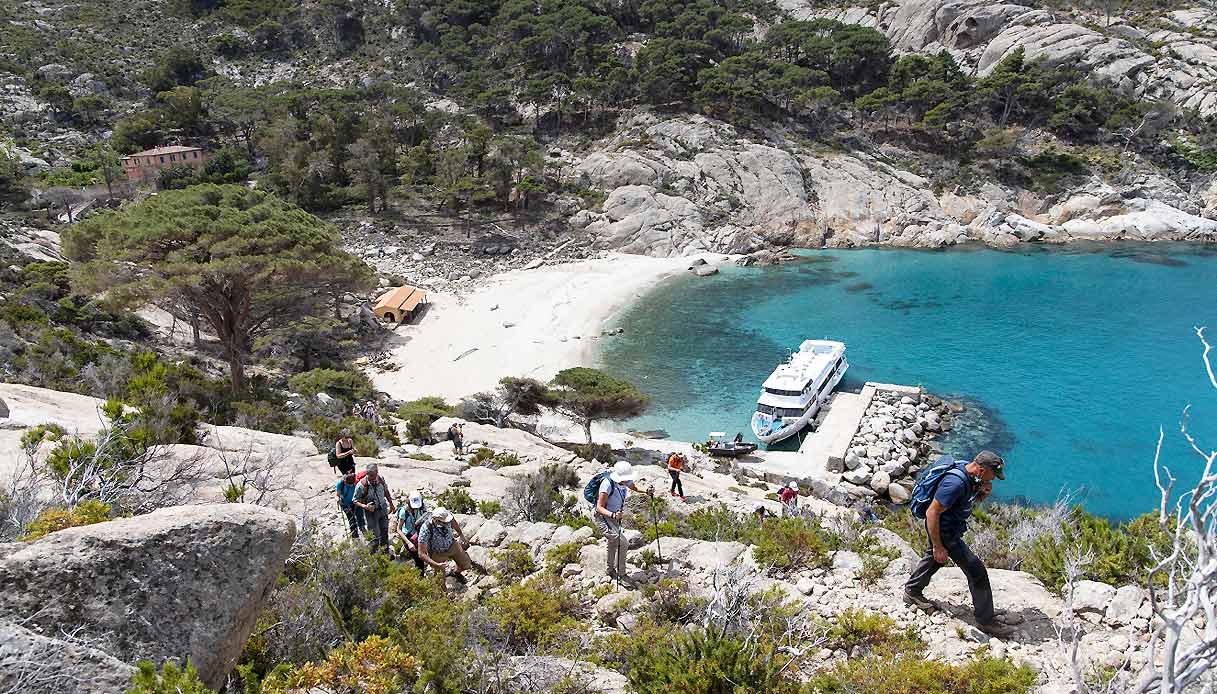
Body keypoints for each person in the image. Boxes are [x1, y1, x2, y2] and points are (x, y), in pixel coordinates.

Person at [903, 451, 1016, 638]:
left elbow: (962, 501)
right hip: (945, 532)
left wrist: (981, 494)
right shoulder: (954, 484)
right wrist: (938, 545)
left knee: (936, 560)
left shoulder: (968, 472)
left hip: (950, 529)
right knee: (977, 572)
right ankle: (986, 621)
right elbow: (932, 513)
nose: (994, 479)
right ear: (981, 469)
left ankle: (912, 591)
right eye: (993, 475)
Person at [594, 461, 650, 586]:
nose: (628, 480)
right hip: (603, 517)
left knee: (613, 542)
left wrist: (646, 490)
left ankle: (610, 570)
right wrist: (613, 515)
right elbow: (599, 507)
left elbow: (634, 488)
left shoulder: (625, 481)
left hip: (614, 517)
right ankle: (622, 574)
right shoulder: (607, 484)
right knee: (623, 543)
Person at [417, 506, 483, 584]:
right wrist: (437, 564)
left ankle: (456, 573)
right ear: (436, 521)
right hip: (437, 552)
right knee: (440, 579)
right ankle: (441, 591)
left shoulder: (447, 516)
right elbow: (421, 553)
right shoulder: (426, 529)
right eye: (445, 522)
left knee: (466, 564)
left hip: (452, 545)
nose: (448, 523)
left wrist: (461, 535)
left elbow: (454, 523)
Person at [353, 464, 395, 553]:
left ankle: (385, 552)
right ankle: (374, 555)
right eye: (369, 475)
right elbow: (355, 500)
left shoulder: (381, 479)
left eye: (372, 475)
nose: (370, 477)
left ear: (377, 473)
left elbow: (386, 491)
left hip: (383, 509)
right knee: (374, 535)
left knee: (384, 531)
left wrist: (391, 504)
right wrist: (365, 506)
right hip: (371, 513)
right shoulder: (361, 485)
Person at [395, 490, 429, 572]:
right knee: (418, 558)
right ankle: (420, 578)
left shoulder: (422, 507)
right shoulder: (404, 512)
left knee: (423, 555)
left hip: (419, 532)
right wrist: (409, 543)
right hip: (409, 536)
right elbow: (398, 529)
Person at [335, 471, 367, 538]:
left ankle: (363, 530)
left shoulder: (357, 481)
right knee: (351, 520)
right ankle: (355, 537)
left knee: (360, 516)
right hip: (345, 504)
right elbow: (337, 495)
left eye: (352, 484)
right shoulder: (340, 484)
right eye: (349, 484)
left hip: (356, 502)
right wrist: (338, 499)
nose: (351, 485)